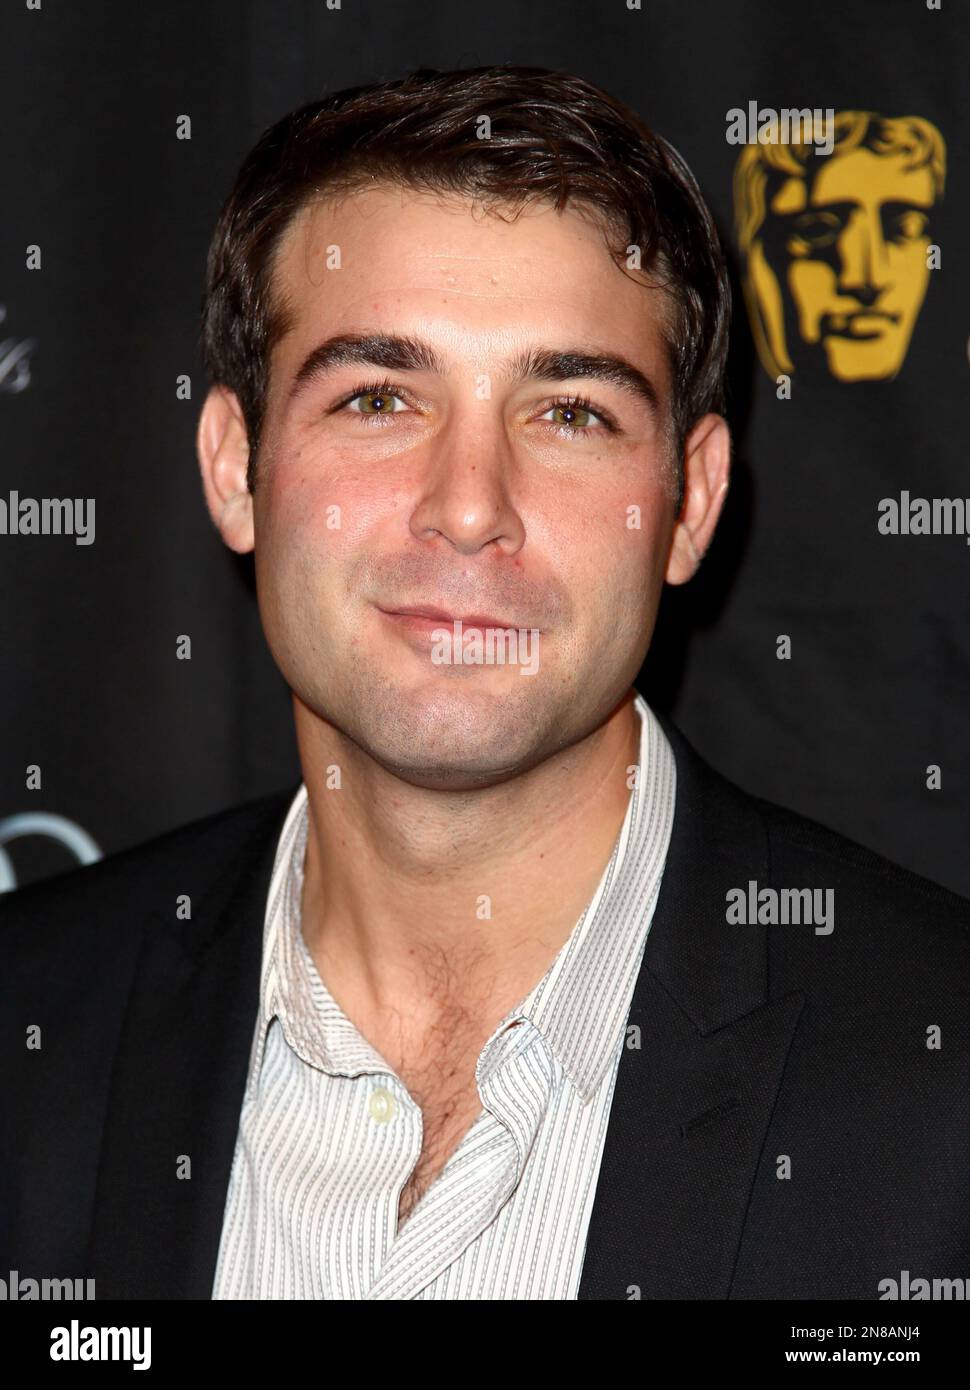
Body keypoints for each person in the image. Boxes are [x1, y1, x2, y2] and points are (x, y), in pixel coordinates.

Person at [2, 65, 968, 1302]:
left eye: (568, 412)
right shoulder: (29, 1033)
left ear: (691, 502)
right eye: (379, 397)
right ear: (237, 469)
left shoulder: (939, 1085)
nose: (468, 508)